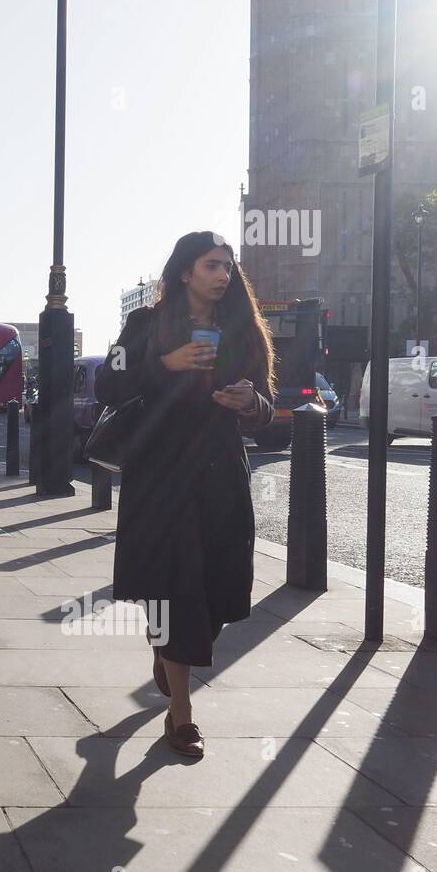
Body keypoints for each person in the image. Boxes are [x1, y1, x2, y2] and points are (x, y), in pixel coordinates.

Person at [95, 231, 274, 760]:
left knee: (218, 586)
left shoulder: (242, 330)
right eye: (212, 265)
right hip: (162, 477)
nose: (223, 274)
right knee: (175, 586)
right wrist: (164, 365)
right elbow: (107, 384)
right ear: (184, 273)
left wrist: (250, 402)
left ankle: (171, 654)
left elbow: (267, 403)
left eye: (227, 265)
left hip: (221, 475)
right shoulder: (145, 326)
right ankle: (182, 711)